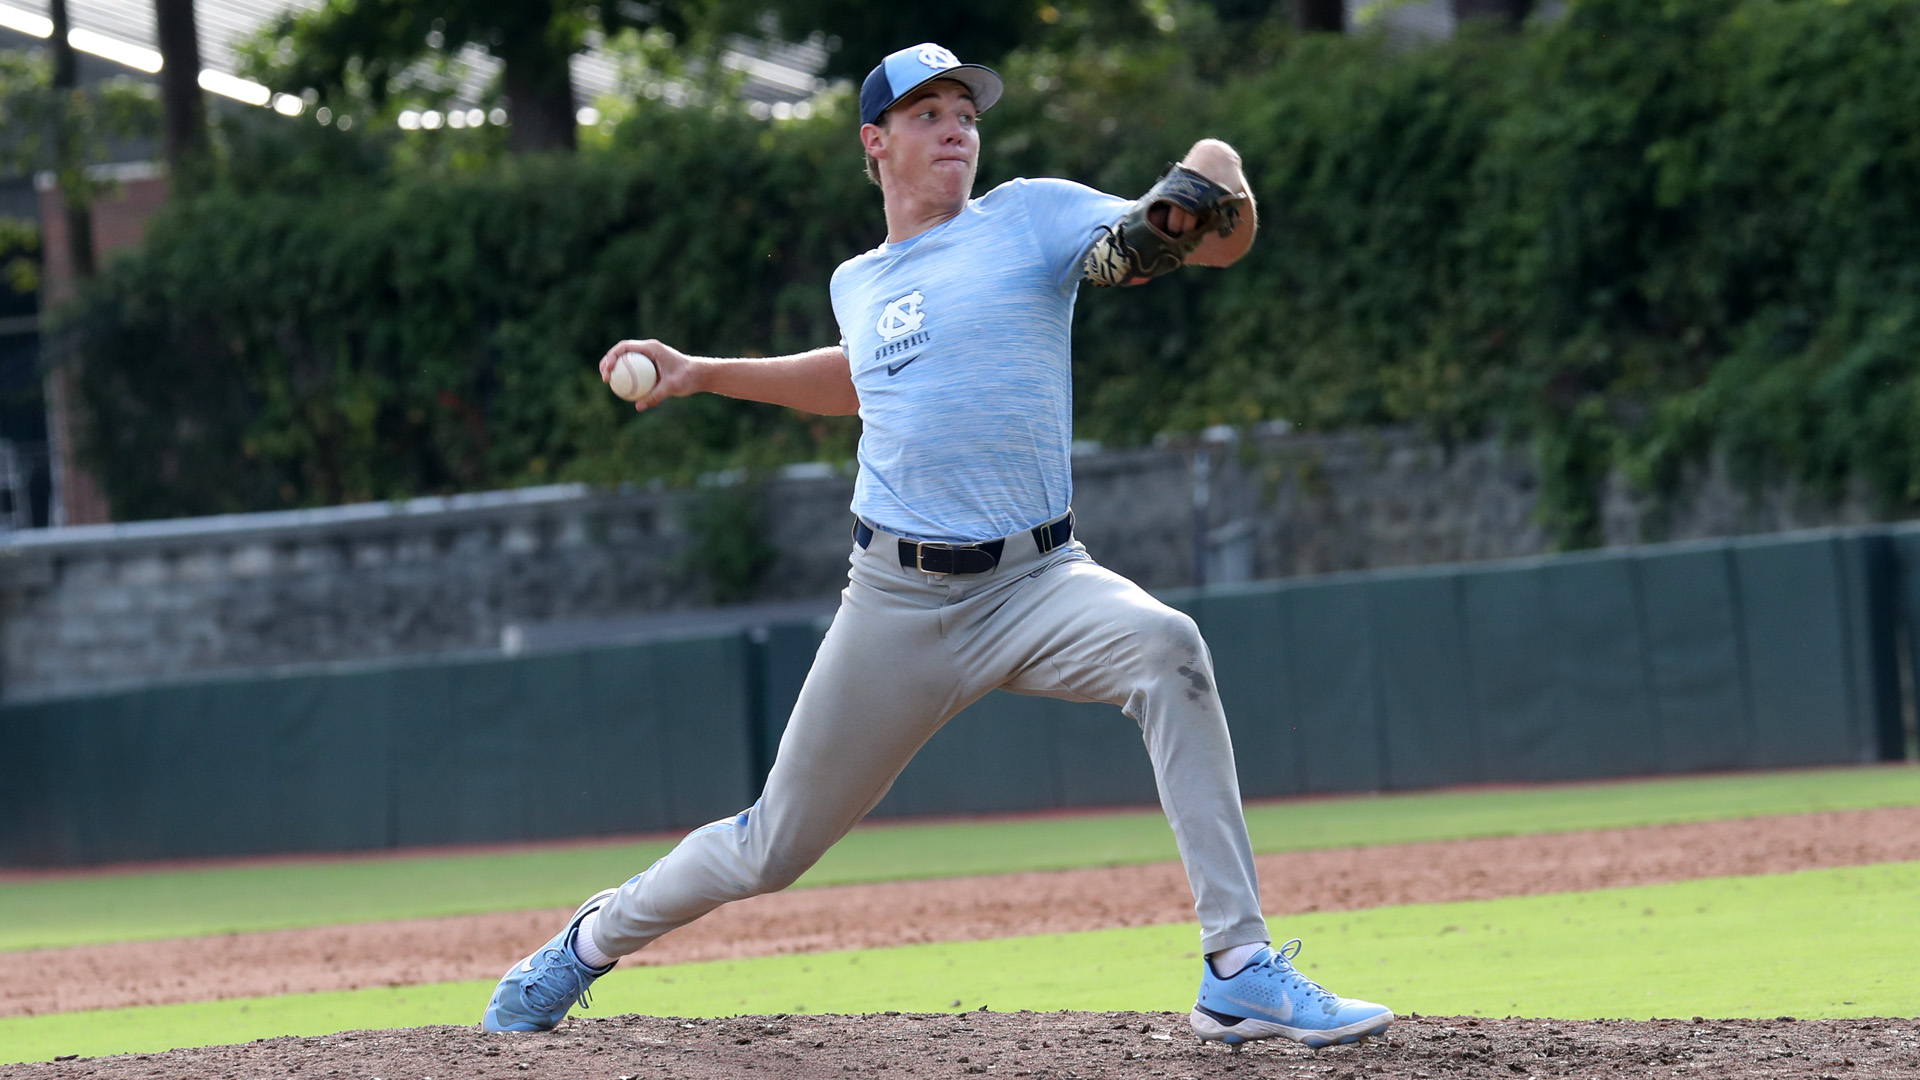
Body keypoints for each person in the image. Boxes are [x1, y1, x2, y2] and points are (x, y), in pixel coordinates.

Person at [482, 42, 1394, 1050]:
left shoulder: (1033, 217)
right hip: (898, 604)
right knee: (770, 848)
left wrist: (1207, 193)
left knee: (1169, 648)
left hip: (1043, 581)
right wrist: (699, 373)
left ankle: (1238, 971)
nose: (955, 125)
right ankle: (583, 944)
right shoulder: (860, 282)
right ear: (875, 143)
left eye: (964, 109)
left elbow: (1170, 247)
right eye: (927, 113)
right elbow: (861, 381)